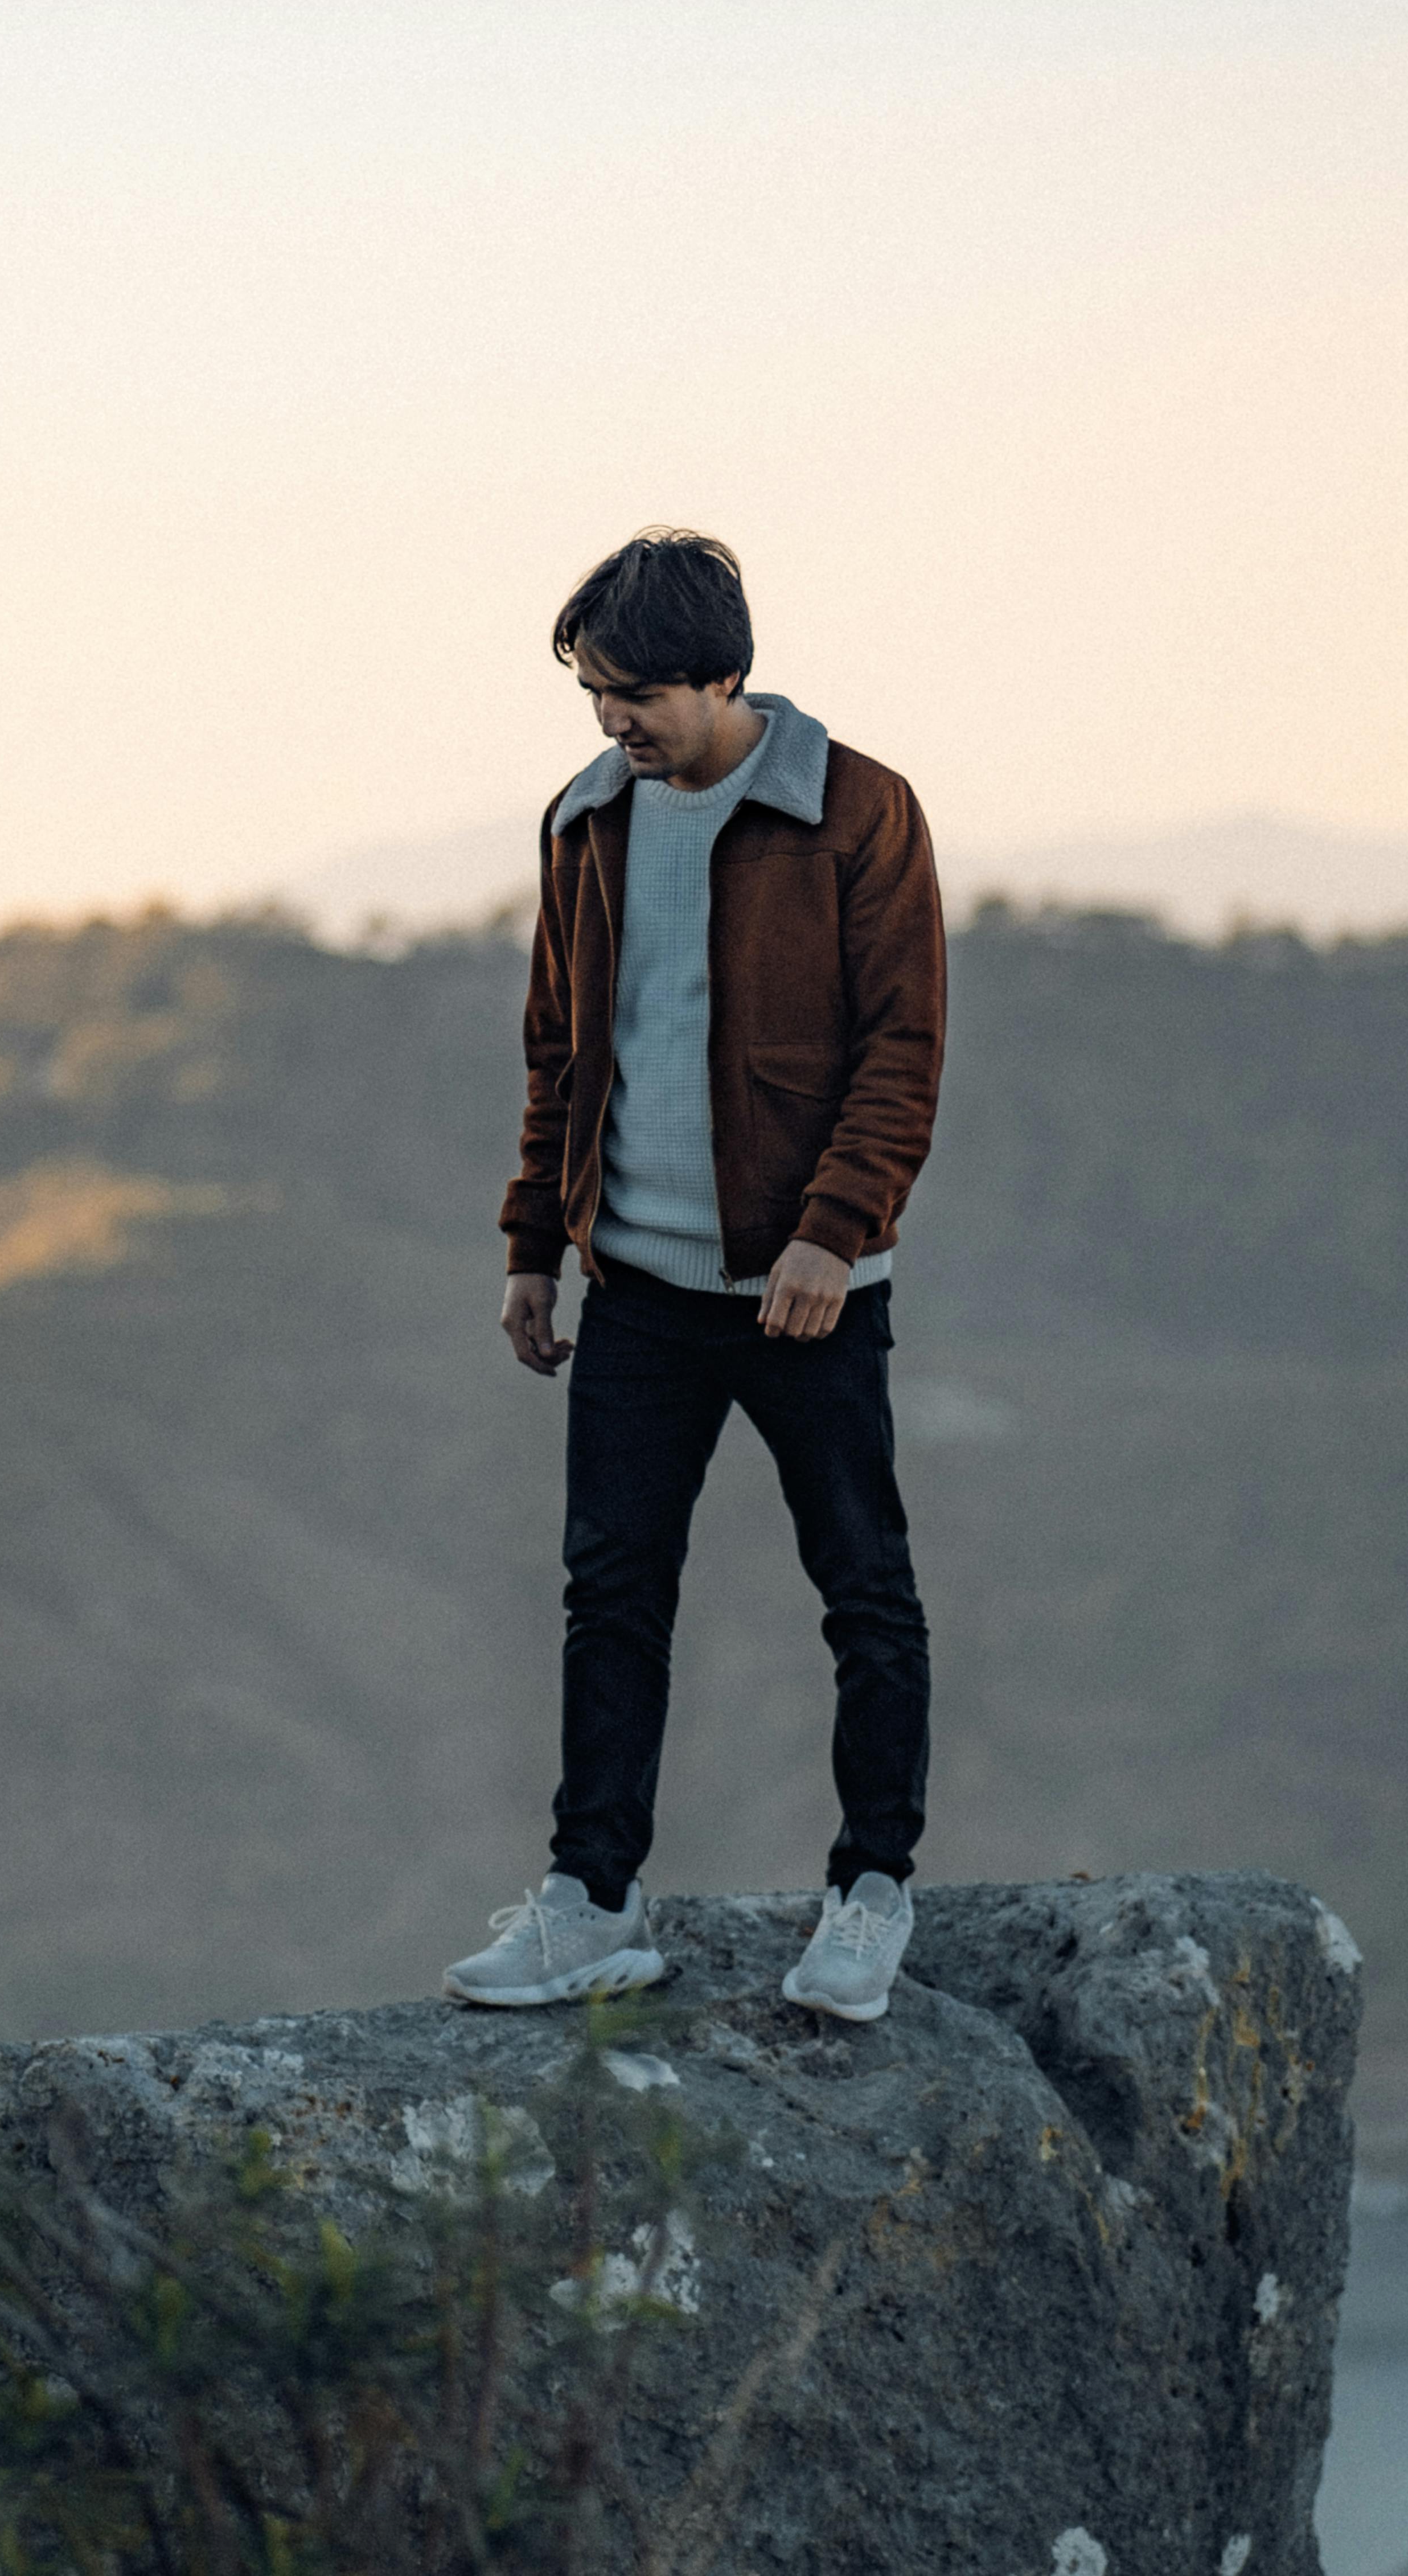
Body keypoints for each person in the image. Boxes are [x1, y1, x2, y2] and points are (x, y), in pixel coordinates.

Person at [443, 529, 945, 2024]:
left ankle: (872, 1891)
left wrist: (833, 1232)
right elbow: (558, 1052)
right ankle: (592, 1903)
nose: (614, 722)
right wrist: (535, 1245)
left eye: (638, 695)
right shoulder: (587, 821)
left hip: (809, 1293)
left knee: (864, 1594)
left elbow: (904, 1048)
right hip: (640, 1294)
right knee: (611, 1597)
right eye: (595, 696)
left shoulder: (856, 812)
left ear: (721, 675)